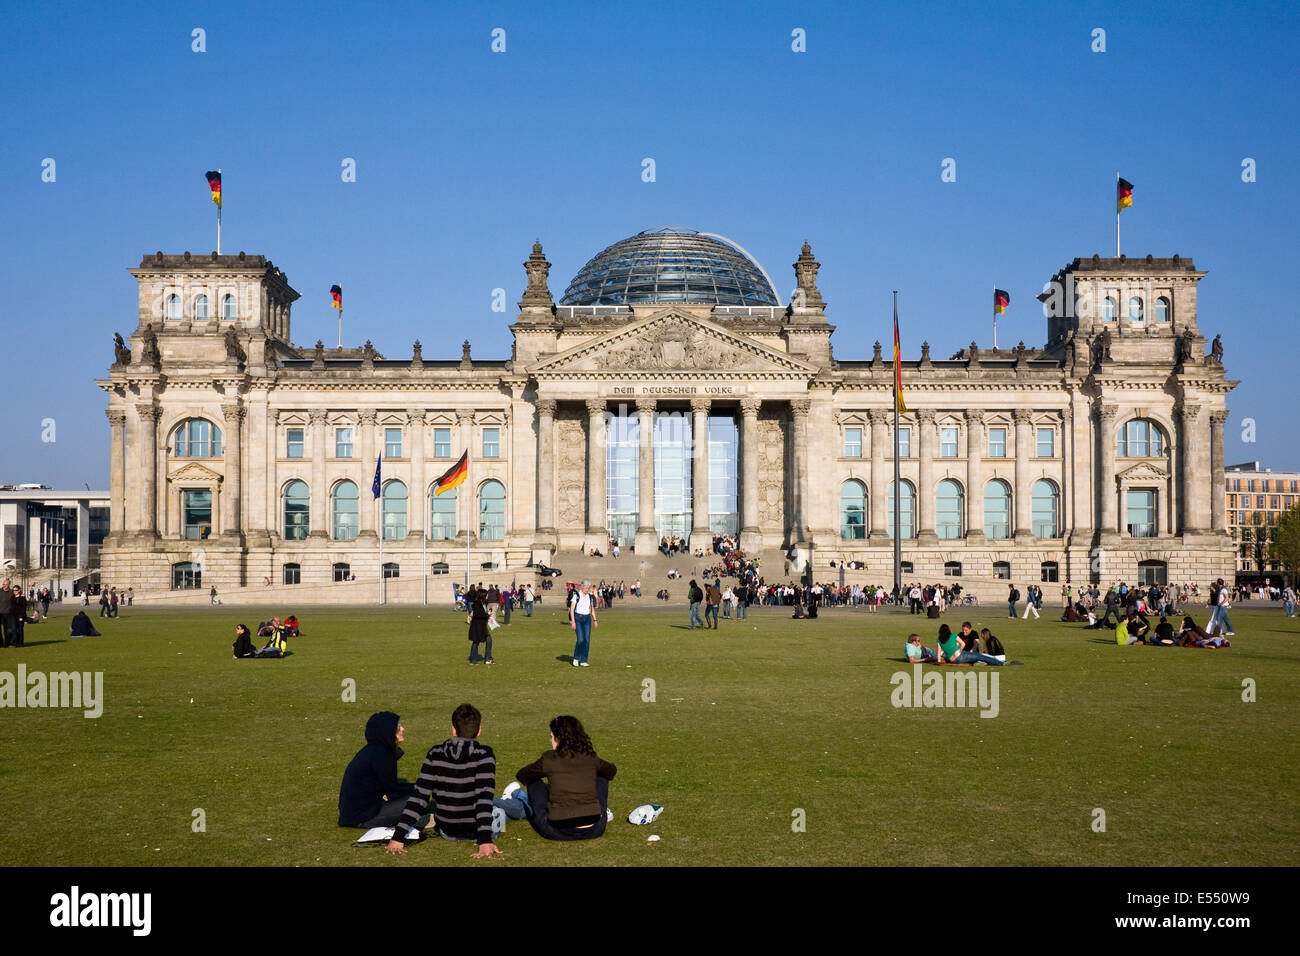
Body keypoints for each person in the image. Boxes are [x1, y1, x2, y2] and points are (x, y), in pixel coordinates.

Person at [386, 703, 529, 859]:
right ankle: (522, 801)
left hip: (446, 831)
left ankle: (513, 800)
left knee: (493, 803)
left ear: (453, 729)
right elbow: (483, 799)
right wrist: (485, 841)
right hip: (475, 832)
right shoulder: (484, 755)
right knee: (502, 810)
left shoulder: (435, 753)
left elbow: (420, 797)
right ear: (479, 730)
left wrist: (398, 836)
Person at [515, 715, 616, 842]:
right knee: (602, 774)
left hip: (557, 831)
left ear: (559, 738)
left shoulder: (549, 759)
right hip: (595, 828)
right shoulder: (590, 757)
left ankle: (531, 807)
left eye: (551, 737)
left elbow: (523, 775)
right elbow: (611, 772)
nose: (550, 740)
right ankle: (600, 810)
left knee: (533, 780)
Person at [338, 711, 420, 831]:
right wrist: (423, 787)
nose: (403, 729)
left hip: (354, 814)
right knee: (418, 799)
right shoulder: (382, 755)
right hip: (363, 817)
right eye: (398, 727)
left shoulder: (373, 750)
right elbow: (394, 792)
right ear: (387, 732)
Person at [569, 580, 597, 667]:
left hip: (587, 619)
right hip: (578, 619)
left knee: (587, 640)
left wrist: (595, 620)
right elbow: (572, 609)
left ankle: (584, 660)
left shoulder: (590, 597)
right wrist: (573, 621)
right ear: (582, 587)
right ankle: (576, 658)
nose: (587, 589)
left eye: (588, 588)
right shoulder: (576, 595)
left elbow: (591, 609)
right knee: (580, 640)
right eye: (585, 588)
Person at [467, 587, 493, 665]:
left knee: (488, 640)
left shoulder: (483, 603)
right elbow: (477, 614)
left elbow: (483, 614)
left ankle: (487, 658)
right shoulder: (478, 603)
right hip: (477, 627)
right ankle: (473, 660)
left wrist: (488, 613)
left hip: (482, 626)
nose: (488, 596)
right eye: (487, 595)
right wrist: (486, 614)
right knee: (476, 642)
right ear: (483, 595)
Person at [0, 578, 14, 648]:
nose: (4, 585)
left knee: (8, 630)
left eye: (5, 584)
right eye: (3, 584)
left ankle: (7, 643)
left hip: (8, 613)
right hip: (0, 613)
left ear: (9, 585)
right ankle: (0, 644)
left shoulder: (12, 592)